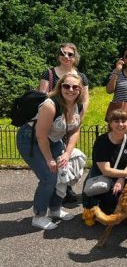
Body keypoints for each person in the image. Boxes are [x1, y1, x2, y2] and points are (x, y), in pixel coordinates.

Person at [16, 73, 84, 230]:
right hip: (30, 139)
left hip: (52, 140)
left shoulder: (77, 106)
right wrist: (49, 160)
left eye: (75, 87)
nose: (71, 90)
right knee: (49, 177)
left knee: (64, 172)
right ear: (60, 87)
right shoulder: (50, 105)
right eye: (66, 86)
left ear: (80, 90)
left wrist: (67, 154)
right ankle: (39, 216)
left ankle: (55, 209)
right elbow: (41, 136)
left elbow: (74, 131)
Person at [38, 43, 90, 203]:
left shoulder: (81, 76)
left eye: (70, 54)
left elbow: (85, 99)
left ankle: (66, 187)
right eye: (63, 53)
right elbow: (42, 95)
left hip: (71, 121)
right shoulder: (50, 73)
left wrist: (78, 117)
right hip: (53, 121)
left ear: (75, 57)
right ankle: (52, 189)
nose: (66, 56)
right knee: (52, 158)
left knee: (68, 155)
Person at [82, 110, 127, 222]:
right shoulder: (101, 141)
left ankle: (125, 213)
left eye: (124, 121)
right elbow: (106, 170)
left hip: (121, 174)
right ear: (110, 124)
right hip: (103, 177)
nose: (120, 124)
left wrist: (122, 178)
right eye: (116, 121)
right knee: (110, 197)